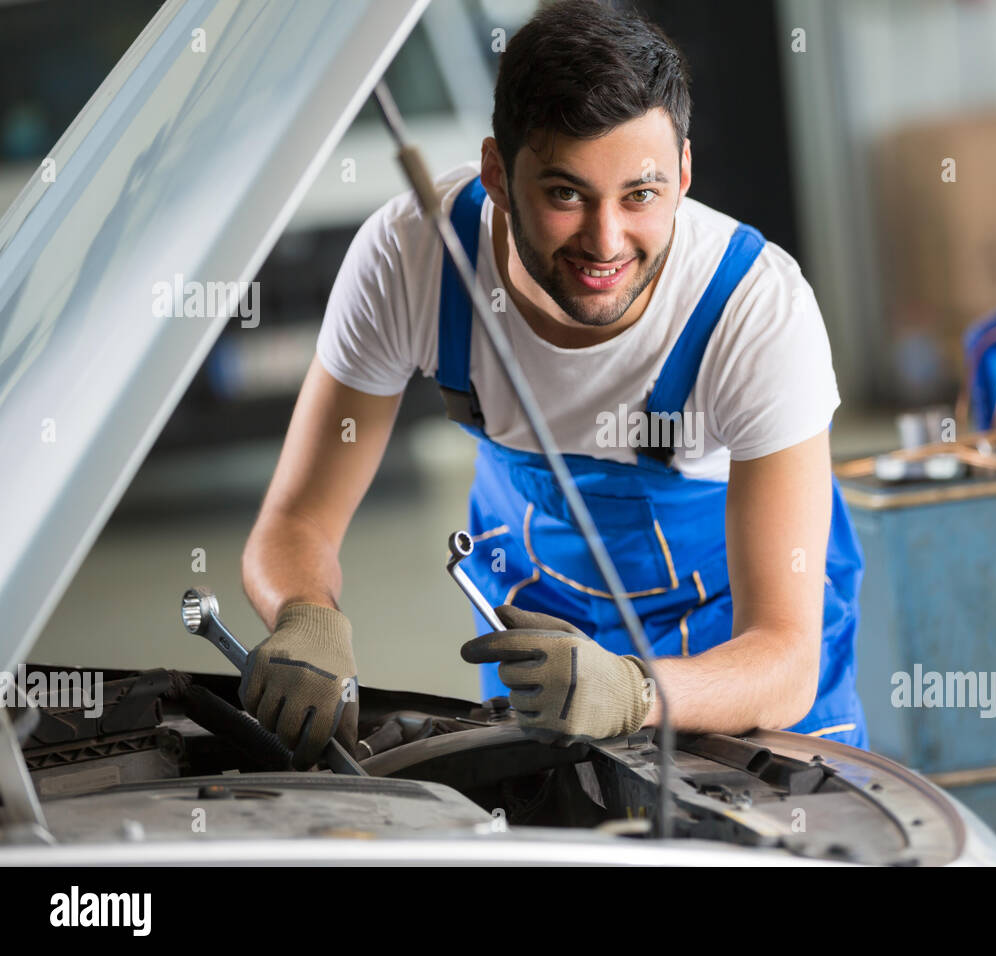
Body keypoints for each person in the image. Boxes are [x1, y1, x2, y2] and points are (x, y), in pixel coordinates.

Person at [240, 0, 866, 770]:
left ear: (685, 173)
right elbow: (295, 517)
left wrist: (634, 695)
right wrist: (305, 617)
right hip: (554, 675)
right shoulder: (416, 257)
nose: (606, 243)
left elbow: (785, 657)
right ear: (498, 174)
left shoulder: (755, 310)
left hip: (743, 680)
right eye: (565, 194)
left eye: (642, 194)